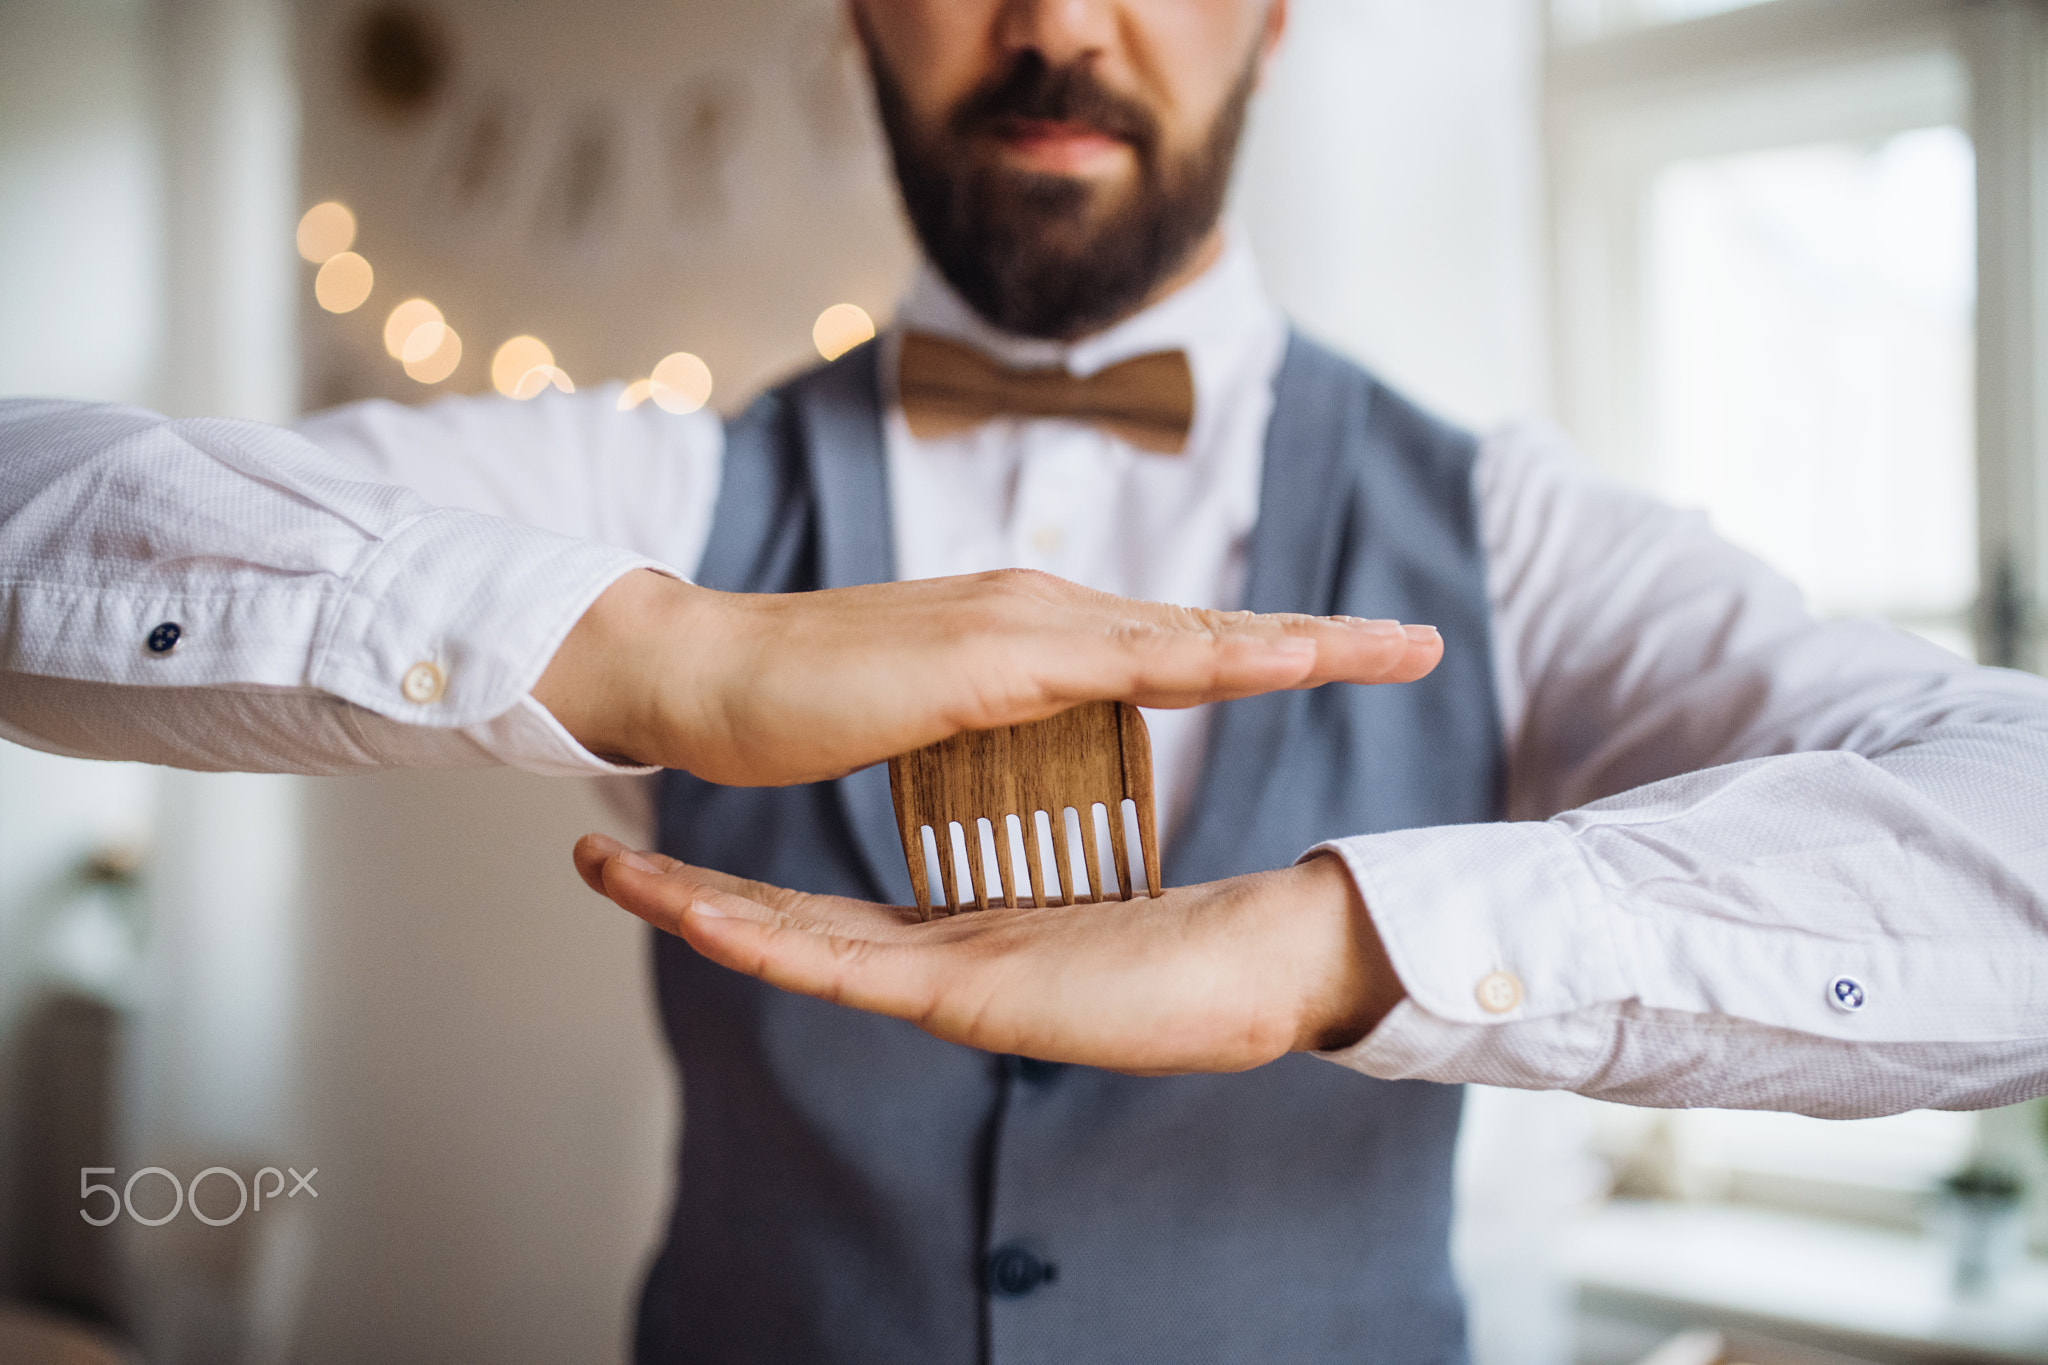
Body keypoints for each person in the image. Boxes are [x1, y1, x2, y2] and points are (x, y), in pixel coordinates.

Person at [3, 0, 2047, 1361]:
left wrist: (1350, 940)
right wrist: (661, 645)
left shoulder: (1510, 535)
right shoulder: (666, 486)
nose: (1057, 18)